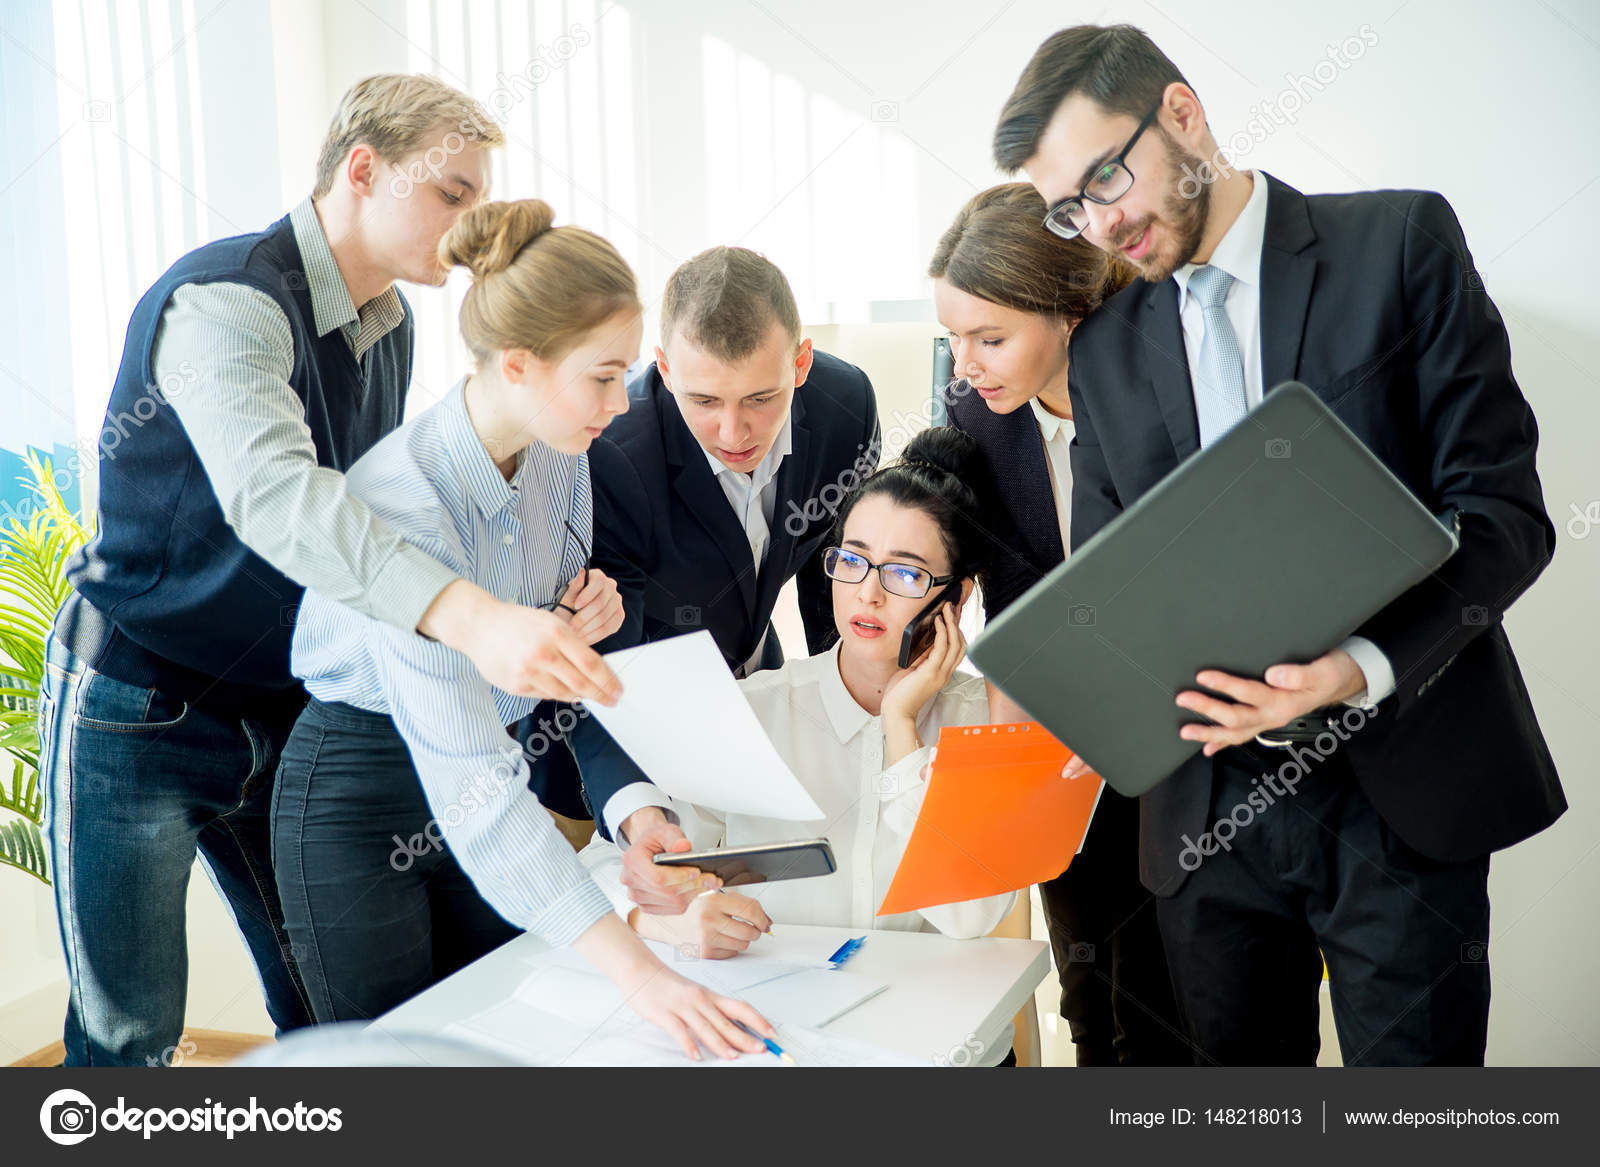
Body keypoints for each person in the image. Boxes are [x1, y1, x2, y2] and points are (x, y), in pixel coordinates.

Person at [992, 24, 1565, 1064]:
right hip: (1206, 820)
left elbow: (1502, 519)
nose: (1100, 222)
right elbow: (1111, 589)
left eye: (1105, 178)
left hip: (1396, 795)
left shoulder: (1394, 246)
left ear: (1181, 114)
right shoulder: (1109, 352)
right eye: (1069, 207)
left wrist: (1353, 670)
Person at [39, 75, 617, 1068]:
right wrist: (472, 619)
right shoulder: (222, 303)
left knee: (326, 1019)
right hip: (141, 708)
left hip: (287, 715)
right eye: (451, 194)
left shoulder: (389, 325)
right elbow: (281, 502)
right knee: (127, 1031)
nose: (470, 225)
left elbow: (381, 517)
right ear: (363, 170)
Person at [271, 198, 774, 1061]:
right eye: (604, 375)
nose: (623, 403)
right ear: (518, 364)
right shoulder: (404, 503)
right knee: (398, 1077)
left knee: (498, 1050)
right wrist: (645, 973)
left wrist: (580, 636)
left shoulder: (560, 453)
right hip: (358, 801)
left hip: (488, 771)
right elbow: (480, 798)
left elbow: (542, 663)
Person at [578, 427, 1017, 1064]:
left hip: (938, 1052)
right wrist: (670, 921)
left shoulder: (987, 724)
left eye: (904, 573)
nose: (867, 592)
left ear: (958, 596)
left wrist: (901, 727)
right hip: (788, 1046)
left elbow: (970, 915)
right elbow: (604, 868)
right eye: (853, 560)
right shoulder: (754, 709)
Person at [929, 182, 1188, 1066]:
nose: (965, 363)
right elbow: (987, 577)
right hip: (1057, 743)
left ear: (1071, 312)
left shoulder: (1173, 391)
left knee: (1167, 1002)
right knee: (1088, 994)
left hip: (1180, 739)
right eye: (954, 337)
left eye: (989, 338)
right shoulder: (978, 415)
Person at [524, 248, 881, 888]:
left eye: (761, 397)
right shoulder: (607, 453)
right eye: (704, 399)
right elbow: (599, 663)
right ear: (663, 368)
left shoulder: (843, 405)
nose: (734, 430)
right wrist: (638, 812)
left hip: (747, 703)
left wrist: (854, 712)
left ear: (800, 363)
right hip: (598, 747)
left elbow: (839, 580)